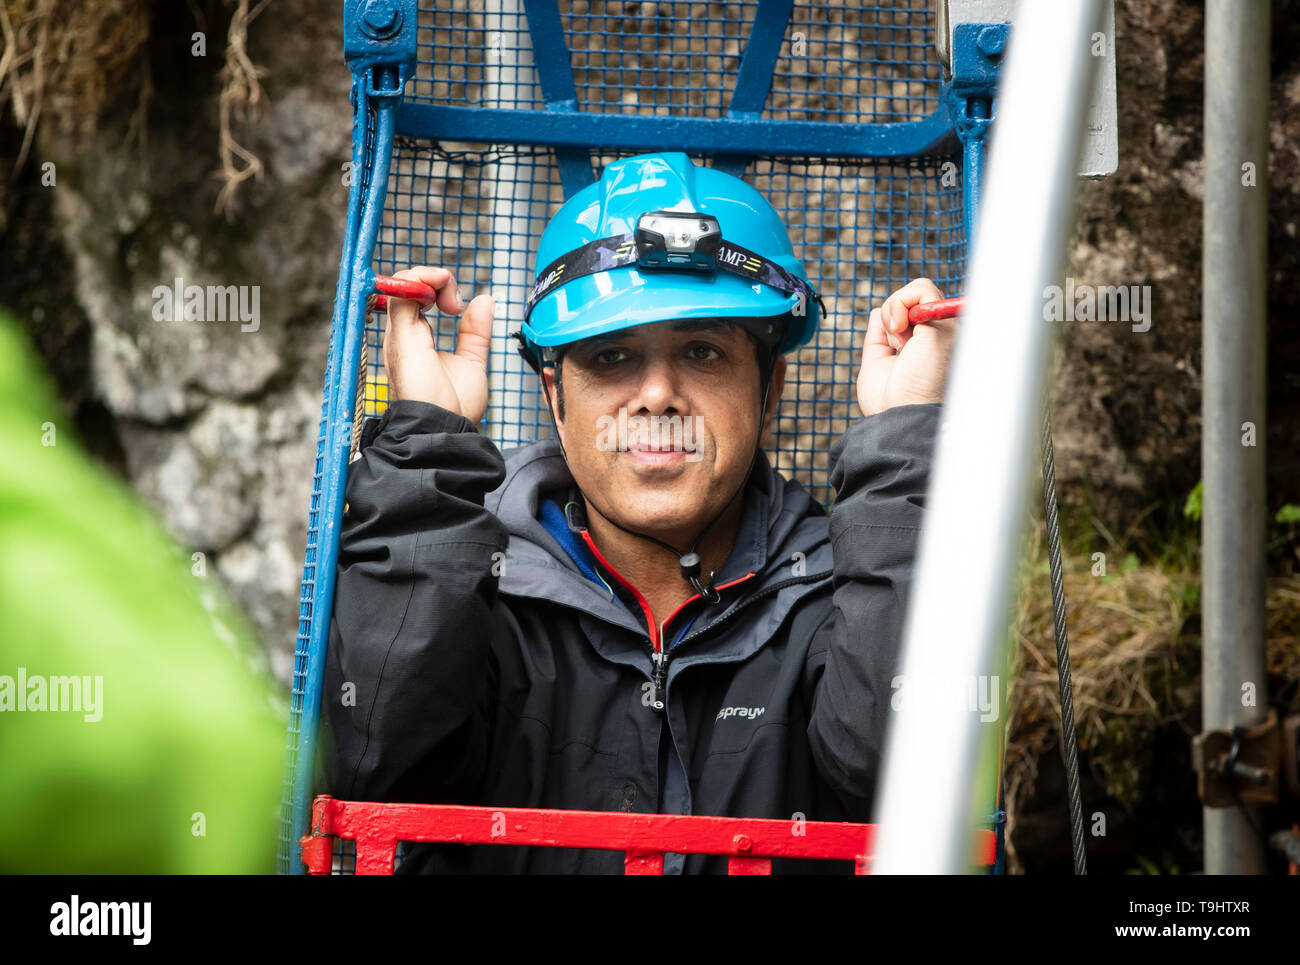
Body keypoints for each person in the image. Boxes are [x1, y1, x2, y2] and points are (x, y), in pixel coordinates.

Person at [324, 152, 957, 873]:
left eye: (700, 351)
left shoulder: (838, 596)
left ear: (769, 388)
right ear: (555, 397)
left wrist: (904, 444)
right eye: (611, 356)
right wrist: (426, 456)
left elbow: (910, 788)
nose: (657, 393)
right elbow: (373, 766)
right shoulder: (479, 591)